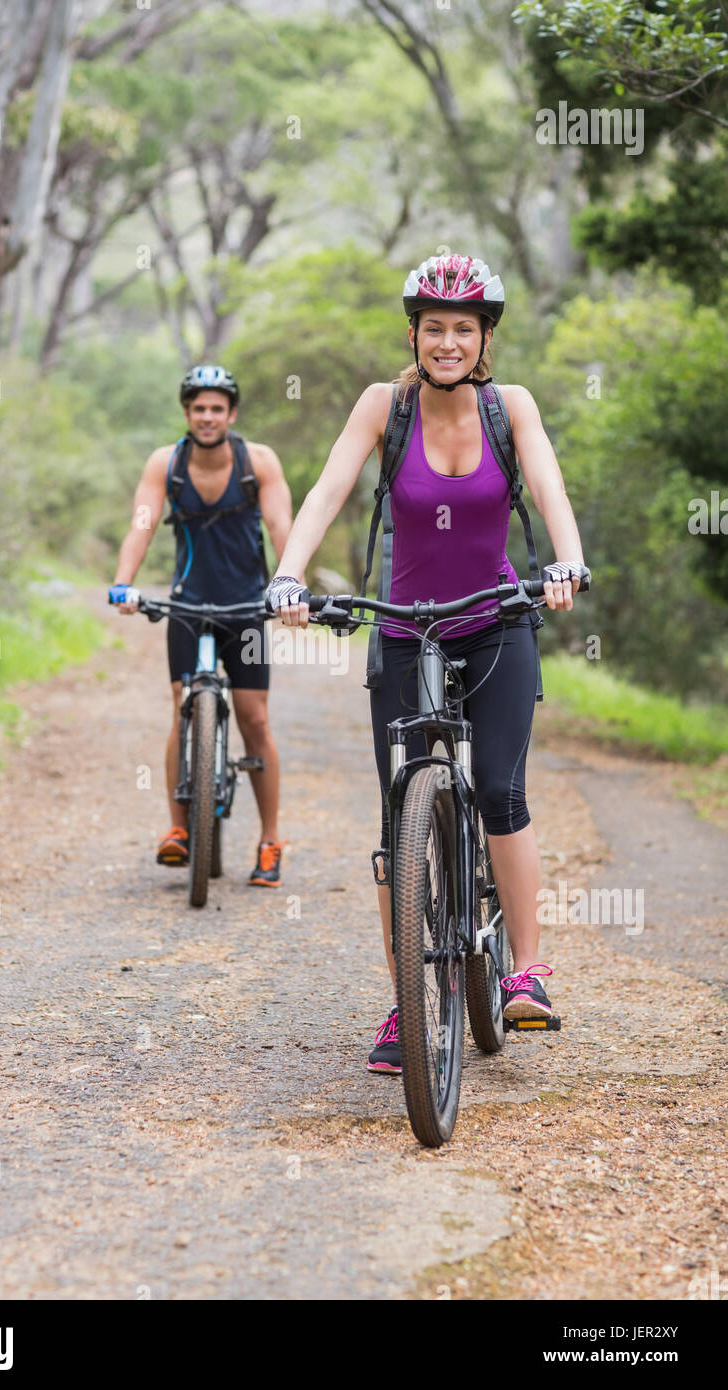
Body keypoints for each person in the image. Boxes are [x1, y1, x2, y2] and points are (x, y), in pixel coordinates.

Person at [266, 253, 589, 1071]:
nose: (449, 342)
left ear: (484, 341)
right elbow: (326, 490)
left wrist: (566, 561)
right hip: (406, 631)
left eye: (465, 330)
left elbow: (548, 489)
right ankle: (408, 1002)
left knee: (500, 790)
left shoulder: (509, 407)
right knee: (396, 816)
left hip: (496, 623)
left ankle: (524, 971)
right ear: (414, 333)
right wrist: (290, 572)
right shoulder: (386, 406)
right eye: (435, 328)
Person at [111, 364, 293, 887]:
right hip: (188, 606)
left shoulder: (257, 462)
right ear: (187, 414)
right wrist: (124, 582)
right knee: (181, 705)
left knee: (254, 718)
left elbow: (282, 527)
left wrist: (291, 584)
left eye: (217, 408)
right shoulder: (165, 464)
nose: (208, 417)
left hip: (247, 608)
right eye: (199, 409)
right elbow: (141, 526)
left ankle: (270, 839)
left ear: (231, 413)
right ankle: (178, 829)